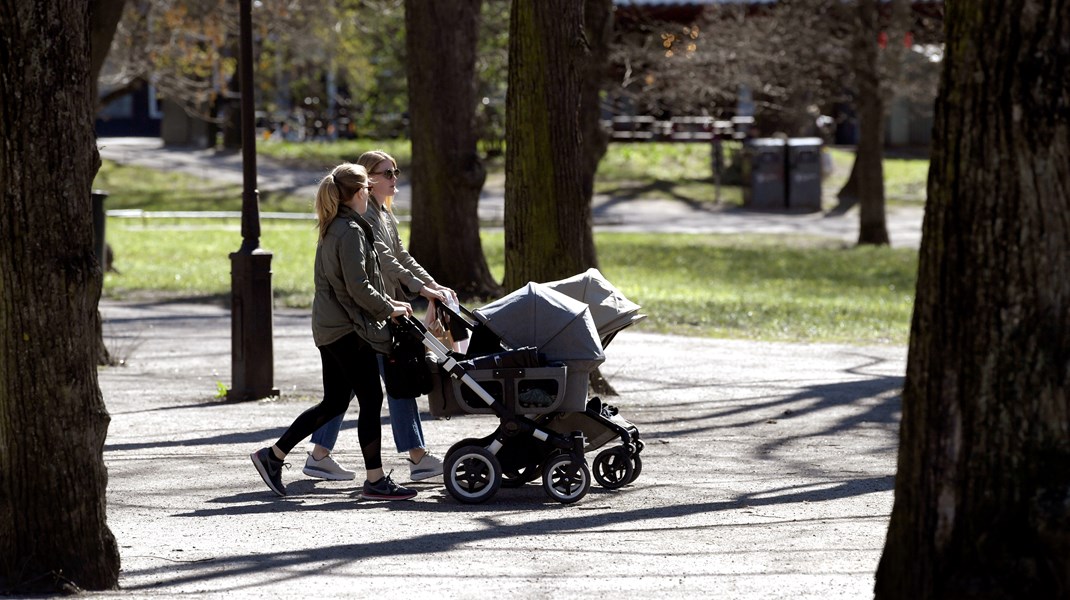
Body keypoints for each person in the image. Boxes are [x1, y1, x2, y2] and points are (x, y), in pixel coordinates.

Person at [250, 162, 417, 501]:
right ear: (358, 194)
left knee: (335, 400)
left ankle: (273, 456)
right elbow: (358, 288)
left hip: (332, 327)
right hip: (346, 330)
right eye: (368, 189)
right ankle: (375, 479)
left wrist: (387, 305)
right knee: (371, 397)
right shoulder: (350, 231)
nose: (371, 194)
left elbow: (357, 283)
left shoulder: (338, 225)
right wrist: (391, 308)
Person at [302, 149, 455, 483]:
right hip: (370, 314)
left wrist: (431, 284)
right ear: (367, 180)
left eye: (396, 171)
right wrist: (420, 292)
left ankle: (318, 454)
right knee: (388, 383)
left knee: (353, 389)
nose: (394, 178)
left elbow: (402, 254)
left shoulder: (384, 215)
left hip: (380, 312)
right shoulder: (362, 218)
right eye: (388, 173)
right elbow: (387, 262)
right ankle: (414, 457)